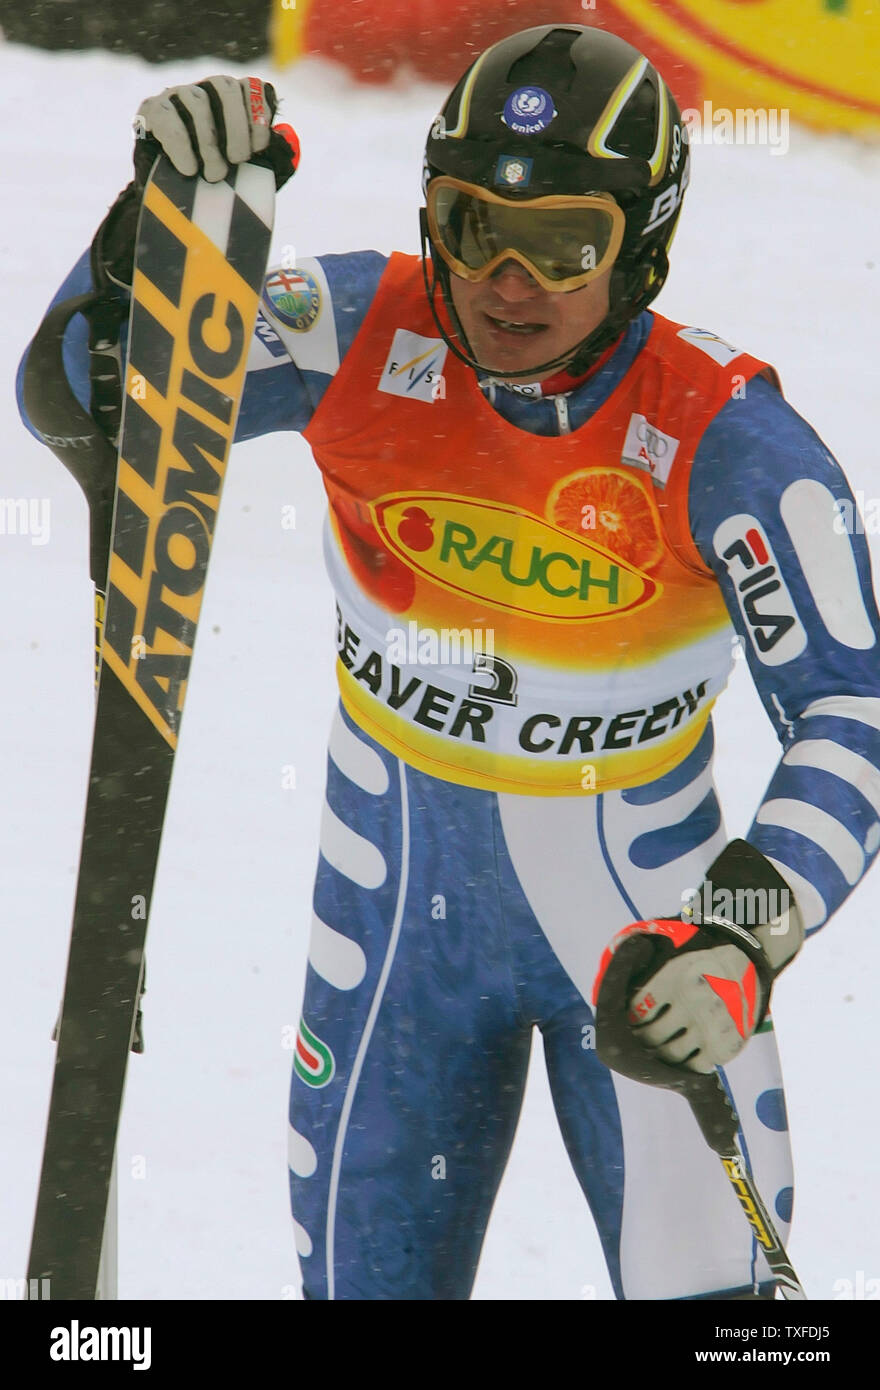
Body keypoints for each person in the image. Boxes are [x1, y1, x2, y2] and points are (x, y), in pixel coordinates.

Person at [17, 24, 880, 1301]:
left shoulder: (729, 440)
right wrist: (148, 228)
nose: (510, 281)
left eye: (567, 243)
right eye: (473, 226)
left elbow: (850, 712)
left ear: (643, 245)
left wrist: (740, 935)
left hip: (646, 954)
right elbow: (84, 397)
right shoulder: (355, 327)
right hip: (391, 939)